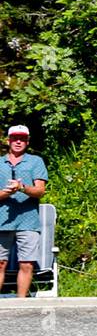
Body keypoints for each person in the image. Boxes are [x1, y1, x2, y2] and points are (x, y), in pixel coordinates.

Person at [0, 125, 49, 299]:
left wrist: (21, 188)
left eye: (22, 138)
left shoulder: (36, 161)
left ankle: (21, 304)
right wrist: (7, 193)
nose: (18, 141)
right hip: (1, 221)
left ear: (27, 142)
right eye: (15, 138)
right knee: (0, 263)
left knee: (27, 264)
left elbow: (40, 191)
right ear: (8, 141)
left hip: (28, 221)